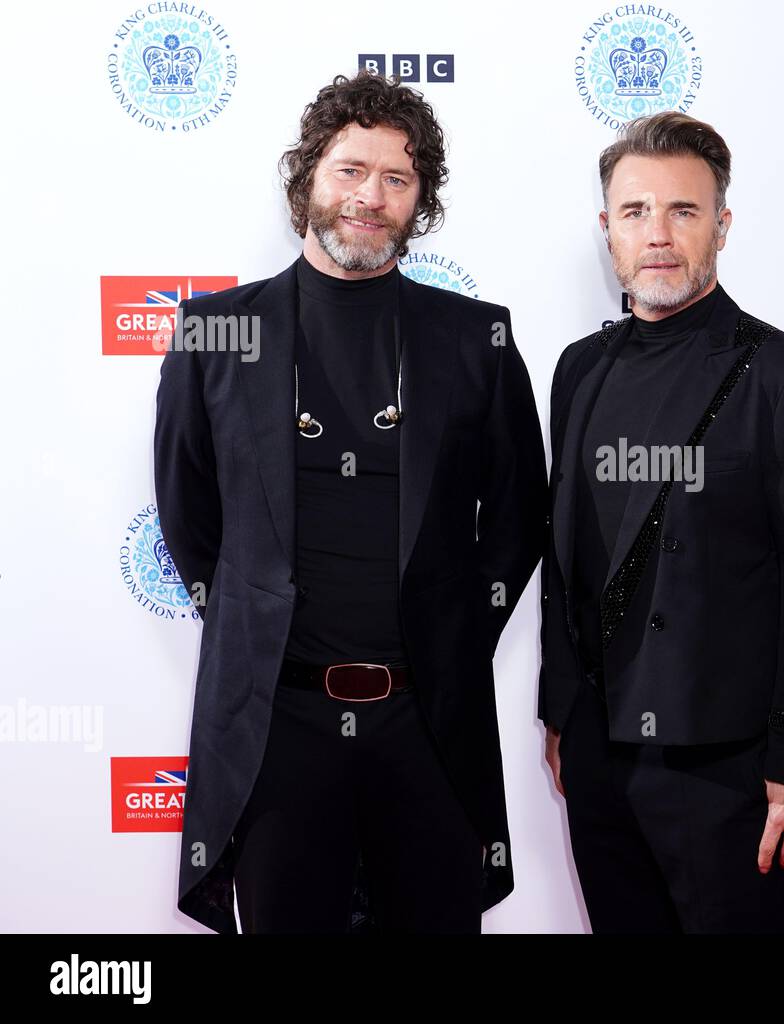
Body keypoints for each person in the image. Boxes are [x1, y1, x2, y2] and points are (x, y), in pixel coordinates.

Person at [153, 71, 547, 933]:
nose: (371, 197)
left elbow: (520, 520)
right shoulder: (216, 333)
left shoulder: (474, 338)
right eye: (350, 171)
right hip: (277, 731)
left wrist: (455, 631)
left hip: (429, 725)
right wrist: (250, 621)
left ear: (420, 202)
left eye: (397, 179)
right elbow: (187, 519)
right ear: (308, 182)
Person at [537, 111, 784, 932]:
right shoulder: (578, 369)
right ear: (606, 230)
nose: (658, 234)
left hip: (731, 771)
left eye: (683, 212)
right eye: (635, 212)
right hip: (600, 759)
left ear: (722, 226)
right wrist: (561, 717)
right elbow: (568, 559)